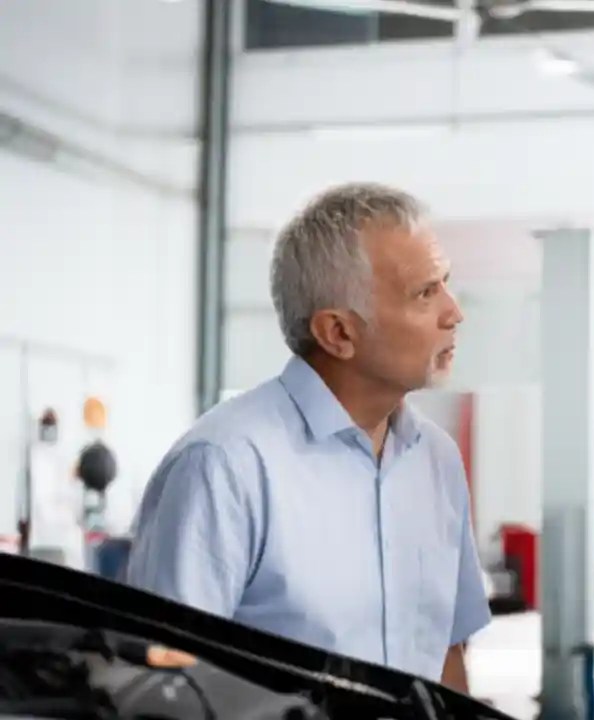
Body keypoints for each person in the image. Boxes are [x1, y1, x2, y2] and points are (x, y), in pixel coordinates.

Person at [125, 183, 488, 692]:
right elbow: (166, 685)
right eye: (425, 293)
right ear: (338, 332)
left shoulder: (435, 460)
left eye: (445, 283)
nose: (454, 312)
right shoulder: (225, 465)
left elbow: (446, 654)